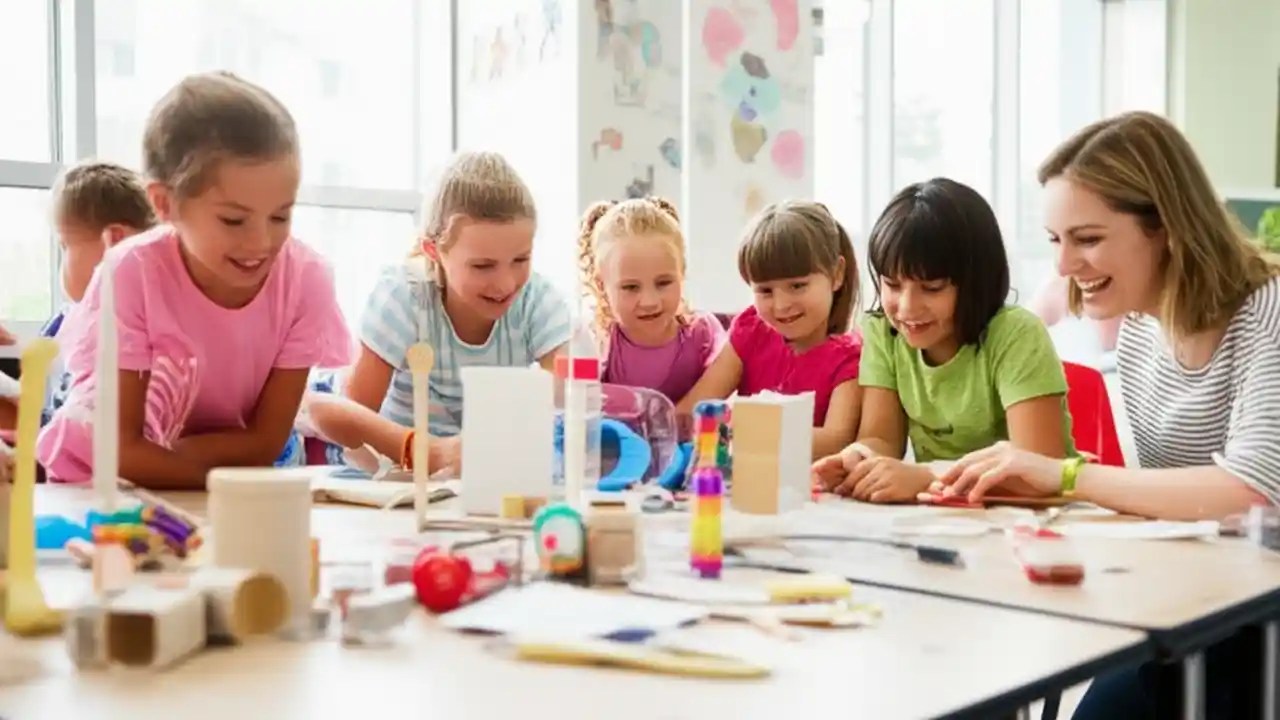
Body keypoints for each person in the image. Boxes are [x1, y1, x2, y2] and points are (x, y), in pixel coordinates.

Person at [939, 111, 1278, 719]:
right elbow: (1177, 500)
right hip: (1208, 597)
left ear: (1167, 227)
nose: (1065, 266)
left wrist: (1063, 473)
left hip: (1259, 616)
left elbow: (1250, 491)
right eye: (1055, 241)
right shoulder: (1143, 331)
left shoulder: (1268, 315)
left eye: (1088, 239)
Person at [36, 71, 352, 488]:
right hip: (92, 477)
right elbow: (121, 449)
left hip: (203, 478)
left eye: (281, 215)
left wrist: (188, 466)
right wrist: (212, 476)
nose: (262, 241)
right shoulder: (130, 274)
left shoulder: (306, 279)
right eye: (233, 219)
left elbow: (264, 441)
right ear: (165, 204)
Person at [811, 178, 1074, 502]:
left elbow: (1040, 470)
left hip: (1030, 517)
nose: (906, 308)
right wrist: (860, 457)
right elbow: (882, 438)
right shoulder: (883, 332)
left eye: (932, 288)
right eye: (892, 285)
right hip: (948, 516)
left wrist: (925, 477)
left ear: (976, 282)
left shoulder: (1016, 335)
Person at [313, 151, 572, 474]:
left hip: (485, 479)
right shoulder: (404, 298)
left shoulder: (538, 301)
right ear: (434, 250)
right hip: (398, 472)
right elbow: (352, 416)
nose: (506, 283)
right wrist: (431, 453)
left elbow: (567, 411)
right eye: (482, 265)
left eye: (521, 260)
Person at [676, 200, 861, 458]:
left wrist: (751, 428)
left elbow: (836, 440)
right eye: (765, 291)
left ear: (837, 274)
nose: (782, 305)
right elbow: (693, 410)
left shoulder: (850, 358)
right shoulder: (752, 330)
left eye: (798, 286)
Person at [577, 196, 726, 403]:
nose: (649, 301)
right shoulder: (598, 339)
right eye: (631, 287)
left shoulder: (703, 334)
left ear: (681, 272)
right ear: (602, 285)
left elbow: (730, 387)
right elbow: (576, 406)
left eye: (663, 283)